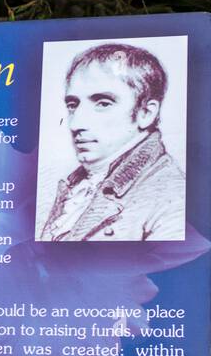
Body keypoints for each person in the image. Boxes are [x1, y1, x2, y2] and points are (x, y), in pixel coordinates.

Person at [36, 42, 186, 242]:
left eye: (103, 103)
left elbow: (169, 272)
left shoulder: (172, 197)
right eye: (73, 105)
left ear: (146, 113)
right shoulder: (72, 187)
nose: (75, 124)